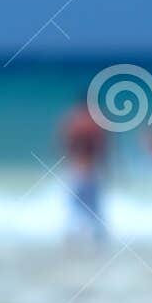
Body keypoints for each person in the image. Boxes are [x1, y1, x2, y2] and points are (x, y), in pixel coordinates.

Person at [59, 96, 109, 240]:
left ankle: (73, 240)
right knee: (95, 209)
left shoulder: (72, 121)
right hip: (91, 170)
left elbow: (64, 145)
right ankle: (97, 241)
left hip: (75, 170)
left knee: (74, 209)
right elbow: (103, 150)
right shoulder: (97, 123)